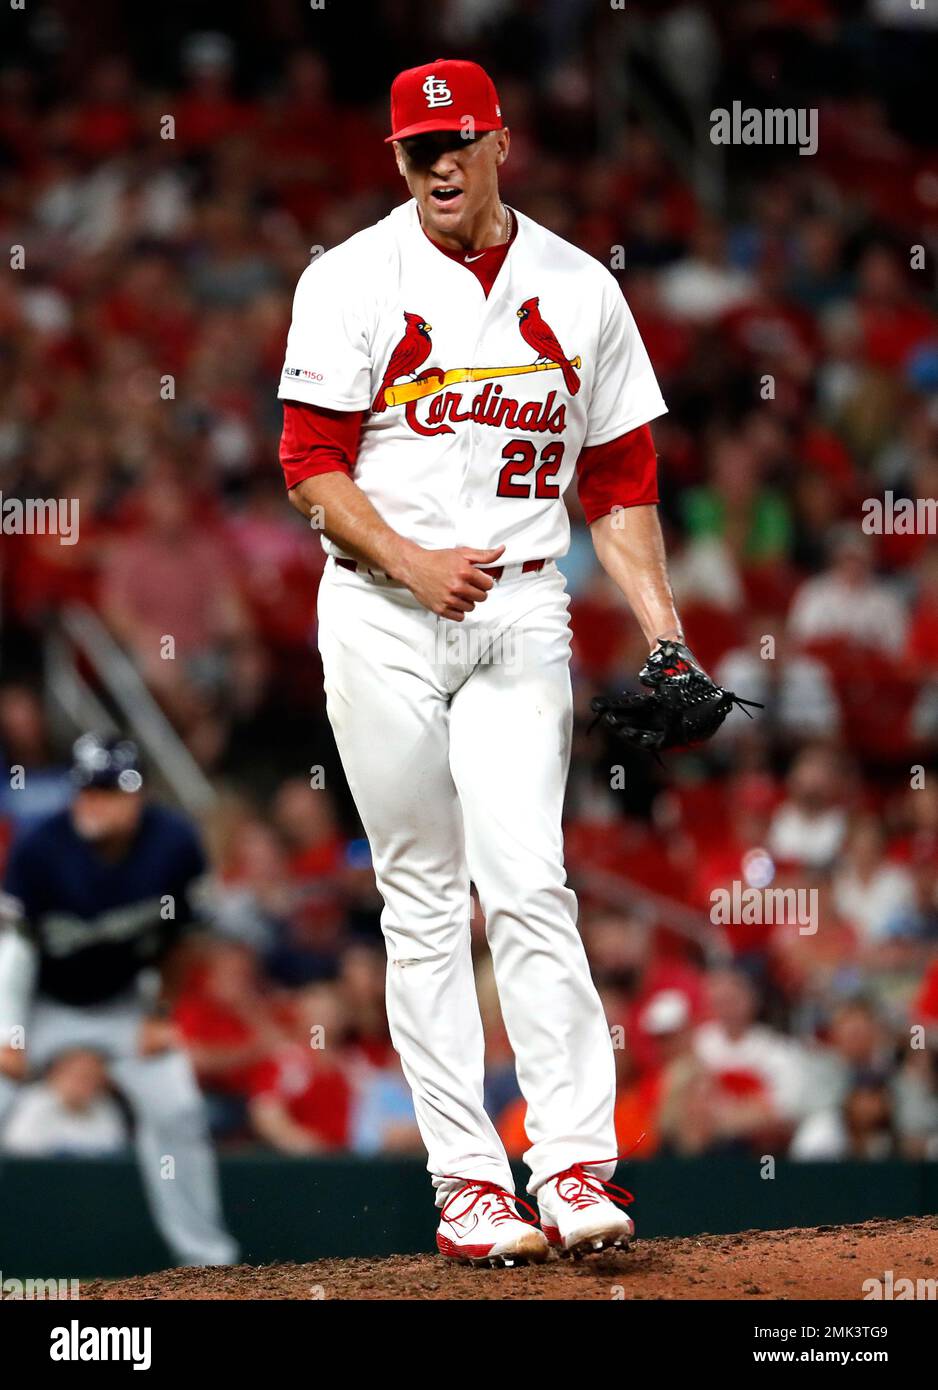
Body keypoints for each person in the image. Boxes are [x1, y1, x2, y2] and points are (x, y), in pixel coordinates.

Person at [275, 58, 733, 1266]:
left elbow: (621, 481)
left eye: (455, 141)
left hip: (523, 611)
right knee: (423, 899)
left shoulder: (577, 288)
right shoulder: (348, 279)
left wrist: (663, 632)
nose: (435, 163)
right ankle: (468, 1184)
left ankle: (573, 1164)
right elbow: (308, 462)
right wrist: (412, 560)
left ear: (497, 143)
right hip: (380, 613)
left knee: (527, 879)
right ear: (394, 159)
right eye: (413, 147)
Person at [0, 733, 238, 1267]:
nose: (95, 802)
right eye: (87, 790)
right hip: (42, 1006)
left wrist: (159, 1013)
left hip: (125, 1007)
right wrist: (8, 1033)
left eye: (109, 792)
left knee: (178, 1107)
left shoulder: (174, 843)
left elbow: (188, 941)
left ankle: (208, 1263)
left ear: (137, 797)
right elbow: (14, 949)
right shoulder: (40, 847)